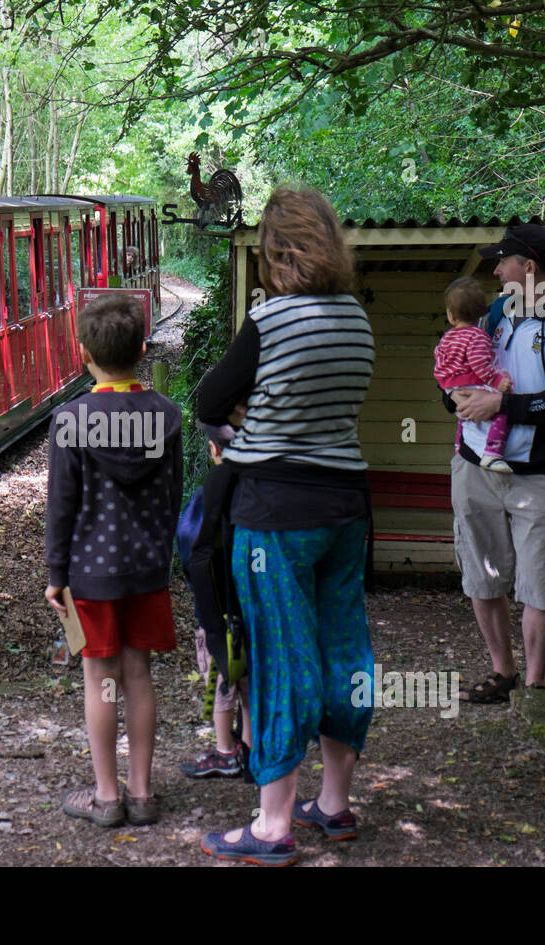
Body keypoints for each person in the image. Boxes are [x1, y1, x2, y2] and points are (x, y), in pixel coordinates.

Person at [194, 186, 374, 866]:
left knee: (279, 657)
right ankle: (333, 804)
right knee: (343, 650)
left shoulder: (271, 319)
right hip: (347, 508)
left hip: (274, 512)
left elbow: (210, 397)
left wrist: (246, 419)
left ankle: (271, 827)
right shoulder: (355, 317)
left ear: (277, 253)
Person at [44, 292, 183, 827]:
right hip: (146, 568)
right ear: (142, 348)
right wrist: (161, 554)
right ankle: (143, 793)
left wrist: (57, 575)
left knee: (100, 677)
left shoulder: (71, 420)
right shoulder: (165, 415)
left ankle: (106, 796)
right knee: (139, 674)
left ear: (83, 352)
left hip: (91, 573)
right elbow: (173, 496)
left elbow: (62, 506)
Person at [443, 224, 545, 702]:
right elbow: (461, 365)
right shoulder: (494, 313)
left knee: (539, 582)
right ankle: (503, 673)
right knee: (482, 575)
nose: (496, 271)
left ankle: (537, 684)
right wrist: (455, 397)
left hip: (538, 476)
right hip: (475, 466)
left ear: (530, 267)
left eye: (503, 262)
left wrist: (502, 408)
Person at [175, 422, 253, 781]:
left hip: (216, 616)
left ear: (213, 449)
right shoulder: (256, 494)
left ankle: (225, 750)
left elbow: (191, 548)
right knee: (251, 680)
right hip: (253, 613)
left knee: (221, 682)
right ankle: (252, 748)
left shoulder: (206, 499)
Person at [435, 277, 513, 473]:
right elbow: (480, 365)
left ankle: (460, 448)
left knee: (465, 418)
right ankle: (492, 451)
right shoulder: (478, 336)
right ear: (481, 314)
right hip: (473, 384)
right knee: (503, 410)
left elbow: (439, 363)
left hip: (453, 388)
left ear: (451, 316)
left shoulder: (447, 337)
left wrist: (449, 387)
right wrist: (497, 382)